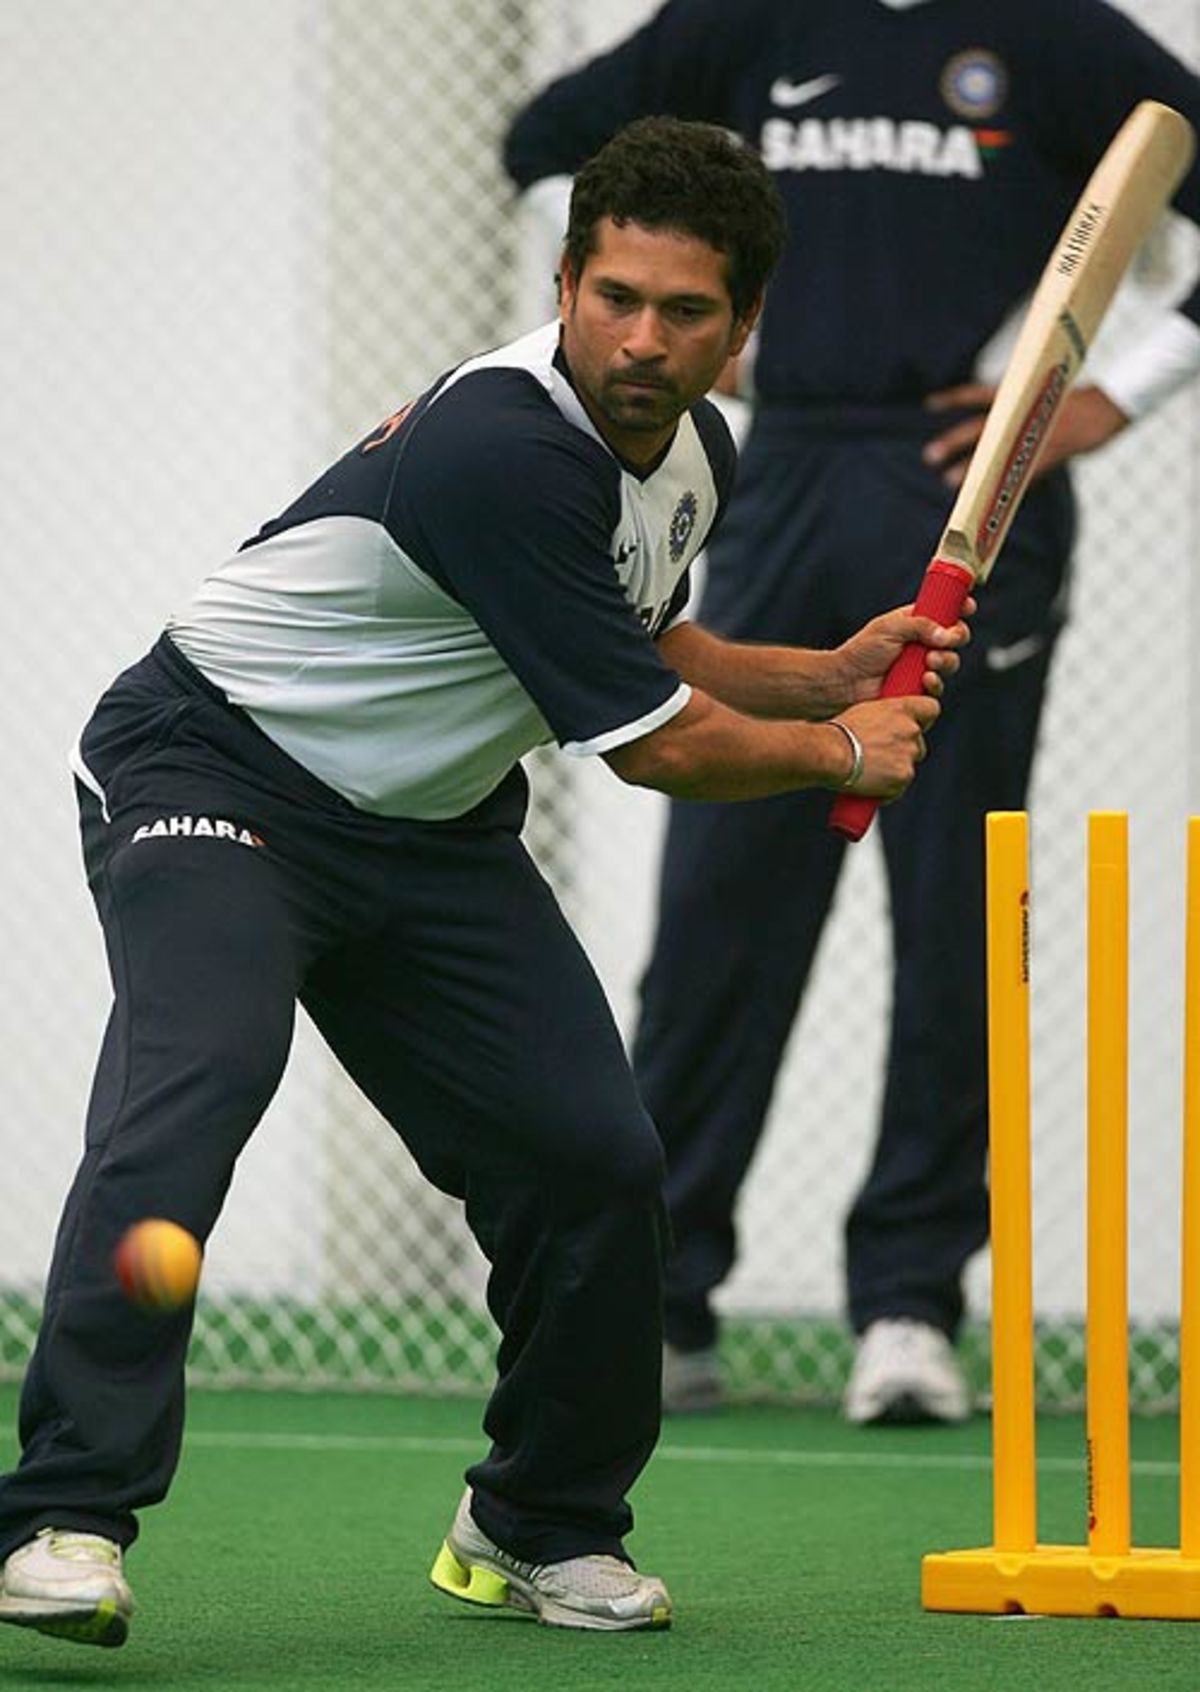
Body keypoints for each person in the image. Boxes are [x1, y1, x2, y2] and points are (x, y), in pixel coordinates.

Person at [0, 116, 969, 1650]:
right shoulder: (503, 443)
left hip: (428, 829)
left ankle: (536, 1525)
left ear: (744, 327)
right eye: (616, 297)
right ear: (567, 279)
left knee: (595, 1158)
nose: (643, 339)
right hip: (216, 771)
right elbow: (651, 749)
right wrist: (841, 750)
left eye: (687, 312)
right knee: (206, 1073)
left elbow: (643, 644)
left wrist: (816, 677)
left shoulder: (698, 452)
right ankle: (64, 1513)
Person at [503, 0, 1200, 1423]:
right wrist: (705, 349)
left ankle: (908, 1305)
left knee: (957, 908)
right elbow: (540, 146)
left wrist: (1106, 398)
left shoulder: (1057, 38)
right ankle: (663, 1292)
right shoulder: (742, 24)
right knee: (721, 911)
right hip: (787, 484)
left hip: (971, 488)